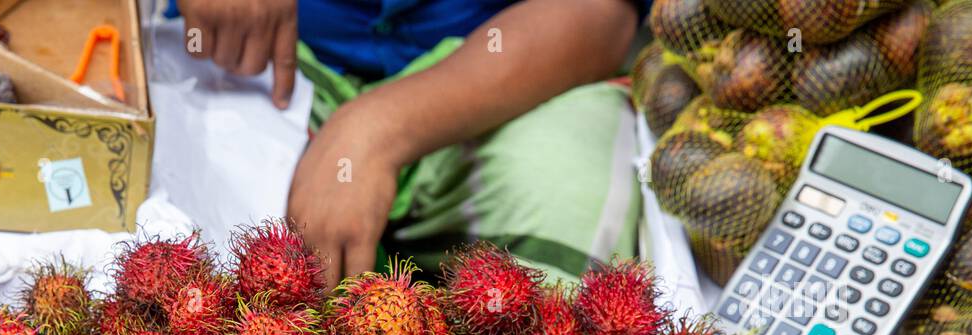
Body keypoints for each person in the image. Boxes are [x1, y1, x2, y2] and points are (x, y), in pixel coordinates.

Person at [173, 0, 647, 286]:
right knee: (194, 264)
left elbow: (603, 15)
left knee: (576, 197)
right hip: (267, 66)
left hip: (498, 81)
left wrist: (375, 132)